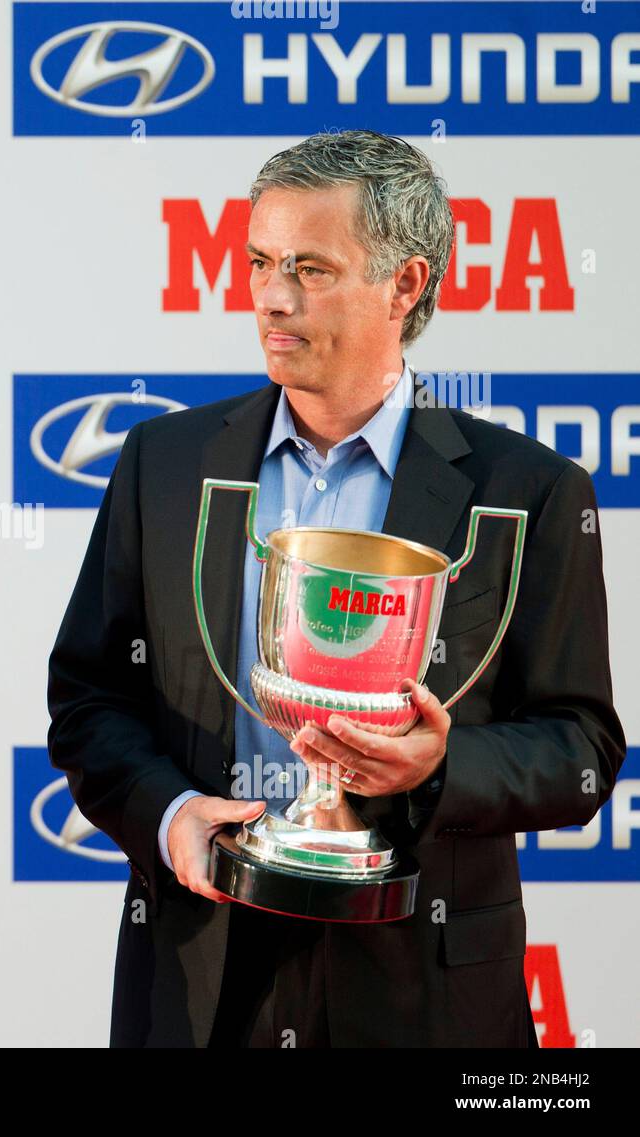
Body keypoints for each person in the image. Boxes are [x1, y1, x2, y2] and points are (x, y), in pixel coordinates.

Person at [47, 130, 624, 1047]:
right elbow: (88, 700)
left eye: (311, 269)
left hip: (424, 995)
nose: (273, 298)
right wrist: (170, 814)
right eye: (260, 262)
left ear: (406, 284)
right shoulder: (166, 466)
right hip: (202, 983)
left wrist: (438, 767)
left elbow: (579, 745)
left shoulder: (527, 491)